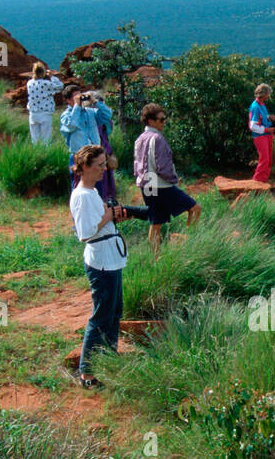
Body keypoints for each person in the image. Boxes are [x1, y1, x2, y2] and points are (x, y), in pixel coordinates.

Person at [70, 145, 130, 389]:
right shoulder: (83, 196)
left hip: (110, 258)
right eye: (99, 165)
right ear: (84, 167)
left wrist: (111, 218)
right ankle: (87, 373)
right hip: (101, 262)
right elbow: (85, 233)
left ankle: (108, 358)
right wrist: (107, 217)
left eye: (105, 164)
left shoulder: (91, 192)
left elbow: (98, 223)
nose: (104, 169)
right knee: (101, 315)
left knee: (114, 311)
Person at [133, 102, 201, 256]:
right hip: (161, 186)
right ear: (151, 121)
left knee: (155, 223)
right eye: (161, 119)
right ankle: (190, 248)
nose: (164, 122)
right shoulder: (157, 138)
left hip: (146, 185)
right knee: (195, 209)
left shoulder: (139, 139)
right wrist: (174, 180)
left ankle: (156, 260)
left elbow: (137, 165)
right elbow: (162, 167)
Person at [61, 88, 114, 191]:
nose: (80, 99)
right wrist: (76, 106)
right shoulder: (66, 115)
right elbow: (72, 125)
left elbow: (107, 115)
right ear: (68, 100)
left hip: (95, 155)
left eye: (80, 95)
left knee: (98, 187)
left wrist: (94, 101)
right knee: (79, 187)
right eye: (76, 97)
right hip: (79, 156)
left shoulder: (90, 112)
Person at [26, 62, 63, 145]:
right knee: (46, 140)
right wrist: (52, 77)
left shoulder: (29, 83)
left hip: (33, 114)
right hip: (45, 114)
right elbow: (60, 86)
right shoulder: (46, 84)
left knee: (35, 140)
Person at [248, 83, 274, 182]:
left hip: (267, 135)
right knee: (265, 159)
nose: (269, 96)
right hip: (260, 136)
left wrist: (269, 117)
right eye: (268, 94)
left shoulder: (262, 105)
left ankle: (264, 180)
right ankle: (257, 181)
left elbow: (261, 119)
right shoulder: (255, 106)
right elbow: (253, 126)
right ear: (263, 94)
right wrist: (267, 130)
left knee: (269, 160)